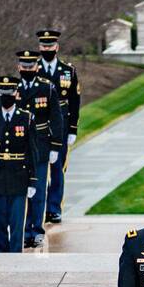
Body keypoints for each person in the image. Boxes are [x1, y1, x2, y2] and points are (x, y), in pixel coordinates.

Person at [14, 50, 64, 248]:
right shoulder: (12, 88)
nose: (27, 69)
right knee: (20, 192)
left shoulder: (47, 88)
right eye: (24, 66)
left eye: (31, 66)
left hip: (40, 145)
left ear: (37, 67)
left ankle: (36, 230)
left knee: (39, 191)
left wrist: (55, 146)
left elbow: (56, 118)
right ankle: (23, 231)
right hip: (18, 146)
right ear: (19, 67)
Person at [0, 76, 38, 253]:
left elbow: (32, 151)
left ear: (16, 93)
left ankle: (16, 258)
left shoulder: (26, 118)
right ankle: (1, 257)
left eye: (10, 92)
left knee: (17, 225)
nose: (6, 96)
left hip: (19, 177)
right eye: (2, 93)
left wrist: (32, 180)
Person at [36, 29, 80, 225]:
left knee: (57, 168)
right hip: (38, 126)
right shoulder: (32, 69)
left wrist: (73, 129)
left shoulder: (68, 71)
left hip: (60, 125)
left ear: (57, 47)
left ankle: (54, 209)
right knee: (37, 167)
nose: (47, 49)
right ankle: (39, 207)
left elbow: (74, 101)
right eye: (44, 46)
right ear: (39, 47)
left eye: (50, 46)